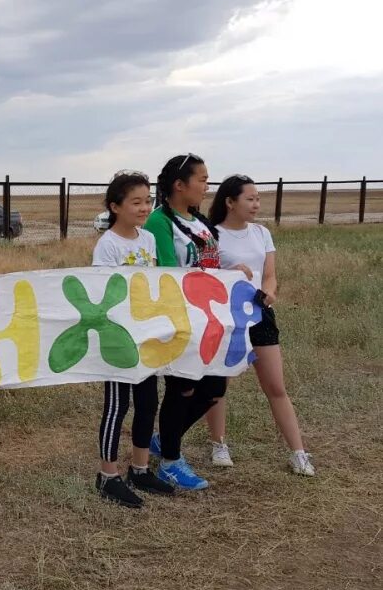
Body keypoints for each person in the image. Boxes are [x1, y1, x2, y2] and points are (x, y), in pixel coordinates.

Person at [143, 153, 251, 490]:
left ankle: (165, 440)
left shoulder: (198, 220)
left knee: (214, 387)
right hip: (180, 318)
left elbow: (210, 261)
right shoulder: (159, 223)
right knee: (182, 387)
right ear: (179, 185)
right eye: (202, 179)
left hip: (209, 318)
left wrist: (228, 275)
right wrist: (215, 276)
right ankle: (171, 463)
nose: (207, 186)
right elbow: (166, 272)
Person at [203, 175, 315, 476]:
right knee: (220, 383)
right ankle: (219, 444)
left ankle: (299, 452)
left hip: (260, 312)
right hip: (226, 316)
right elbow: (204, 275)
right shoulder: (211, 234)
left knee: (276, 386)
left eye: (258, 199)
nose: (256, 204)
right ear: (230, 202)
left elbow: (270, 273)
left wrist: (270, 291)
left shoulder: (262, 233)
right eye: (249, 198)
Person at [91, 171, 176, 507]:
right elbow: (103, 291)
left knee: (147, 402)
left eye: (148, 201)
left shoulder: (148, 240)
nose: (144, 208)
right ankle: (107, 475)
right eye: (136, 202)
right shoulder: (108, 244)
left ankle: (139, 469)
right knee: (117, 405)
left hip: (146, 336)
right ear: (115, 206)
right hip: (118, 338)